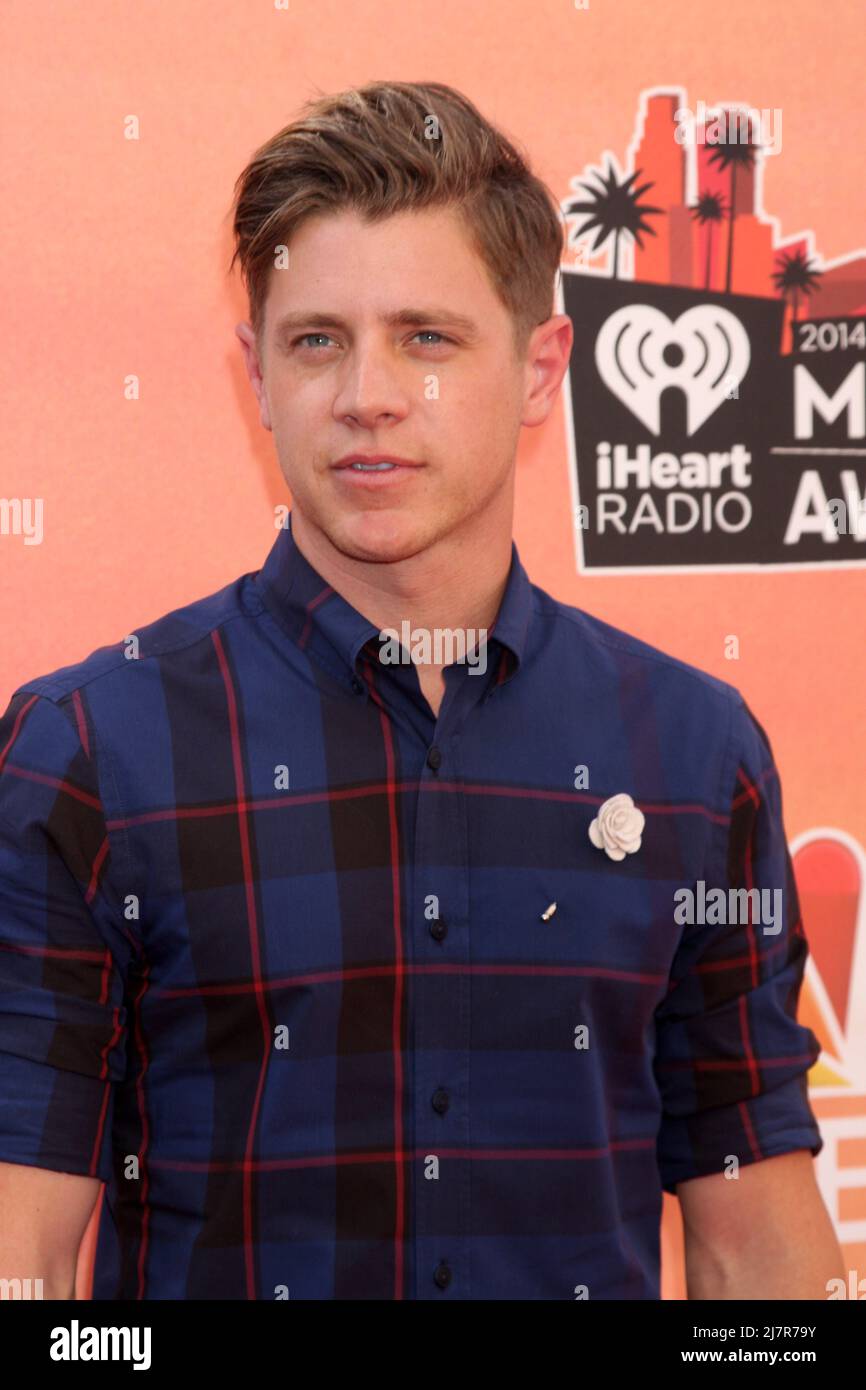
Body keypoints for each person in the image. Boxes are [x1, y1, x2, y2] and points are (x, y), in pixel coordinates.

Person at [0, 80, 843, 1300]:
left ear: (543, 366)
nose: (366, 397)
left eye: (426, 338)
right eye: (315, 341)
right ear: (256, 374)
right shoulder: (87, 750)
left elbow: (753, 1241)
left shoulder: (693, 756)